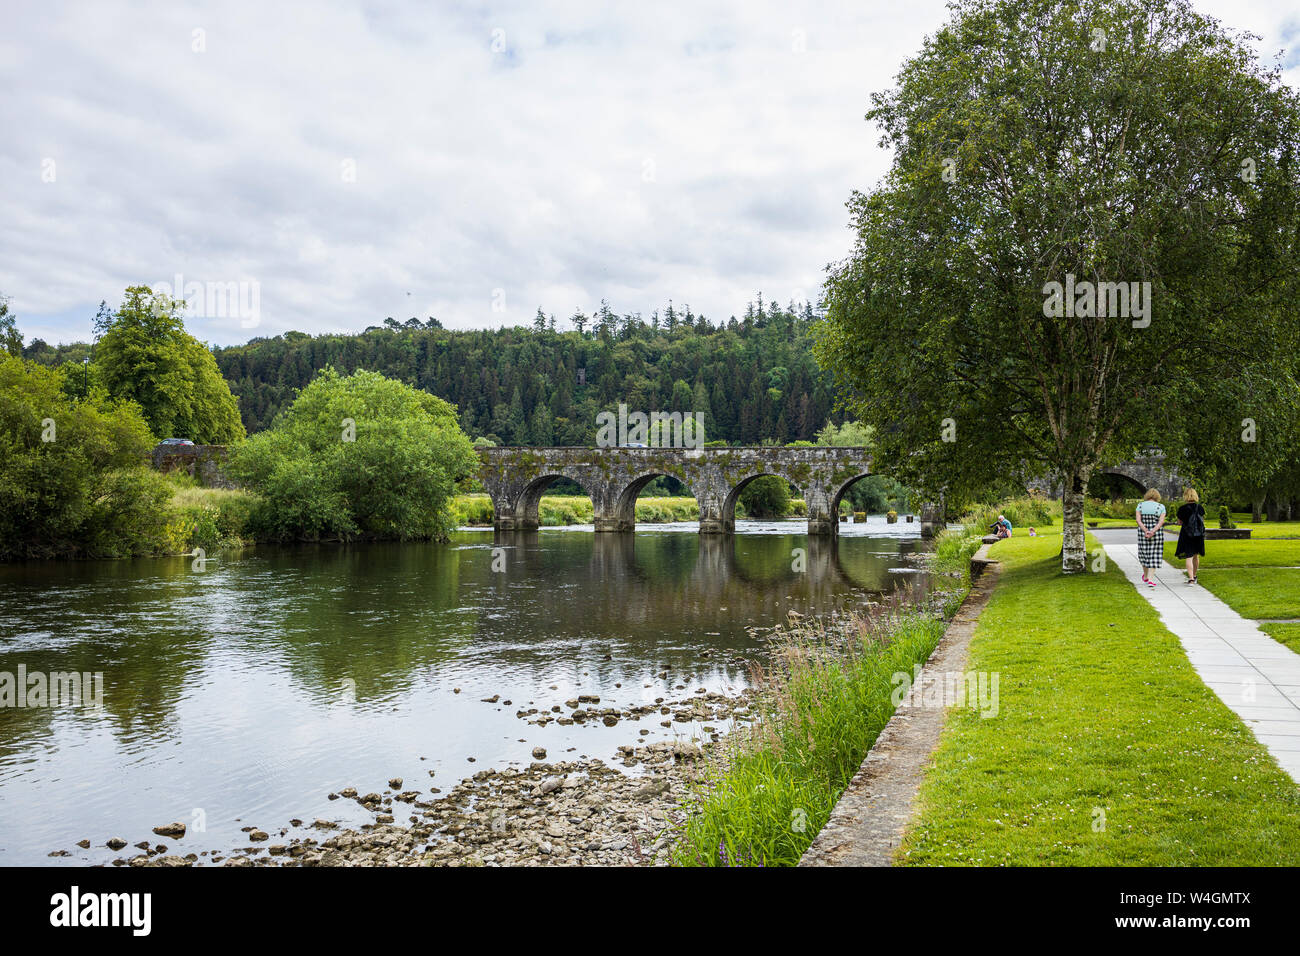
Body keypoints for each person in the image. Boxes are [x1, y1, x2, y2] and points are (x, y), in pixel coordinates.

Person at [1135, 489, 1167, 587]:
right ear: (1157, 496)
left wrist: (1146, 530)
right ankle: (1150, 579)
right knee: (1154, 554)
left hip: (1142, 533)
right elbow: (1161, 522)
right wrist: (1153, 531)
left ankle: (1145, 576)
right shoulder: (1161, 507)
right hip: (1157, 533)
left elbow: (1138, 520)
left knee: (1144, 553)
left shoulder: (1140, 505)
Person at [1174, 488, 1206, 585]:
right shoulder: (1200, 508)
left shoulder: (1182, 509)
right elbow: (1202, 521)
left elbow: (1179, 523)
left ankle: (1191, 579)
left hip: (1187, 534)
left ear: (1185, 496)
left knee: (1189, 556)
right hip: (1198, 535)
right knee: (1196, 556)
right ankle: (1195, 575)